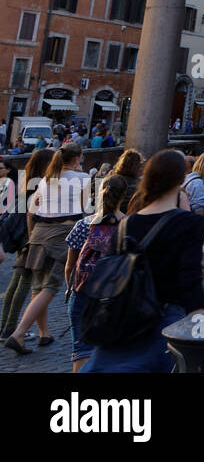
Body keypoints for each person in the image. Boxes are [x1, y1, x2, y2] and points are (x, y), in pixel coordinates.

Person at [83, 150, 204, 373]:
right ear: (181, 180)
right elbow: (190, 285)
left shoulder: (126, 224)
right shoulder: (190, 223)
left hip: (121, 320)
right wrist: (201, 338)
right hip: (165, 321)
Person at [4, 142, 90, 355]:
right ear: (77, 158)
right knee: (51, 286)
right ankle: (19, 333)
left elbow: (31, 213)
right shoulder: (84, 178)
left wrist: (32, 235)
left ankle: (44, 334)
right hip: (62, 232)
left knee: (38, 286)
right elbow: (87, 211)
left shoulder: (45, 180)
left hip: (39, 232)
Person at [64, 174, 128, 372]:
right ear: (123, 196)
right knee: (114, 353)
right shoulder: (130, 226)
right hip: (116, 298)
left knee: (81, 352)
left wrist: (71, 288)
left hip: (83, 294)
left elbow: (70, 266)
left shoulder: (83, 225)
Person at [1, 150, 53, 341]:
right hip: (32, 236)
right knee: (23, 284)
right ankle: (10, 330)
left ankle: (5, 327)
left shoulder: (27, 181)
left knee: (16, 283)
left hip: (24, 234)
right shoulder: (42, 184)